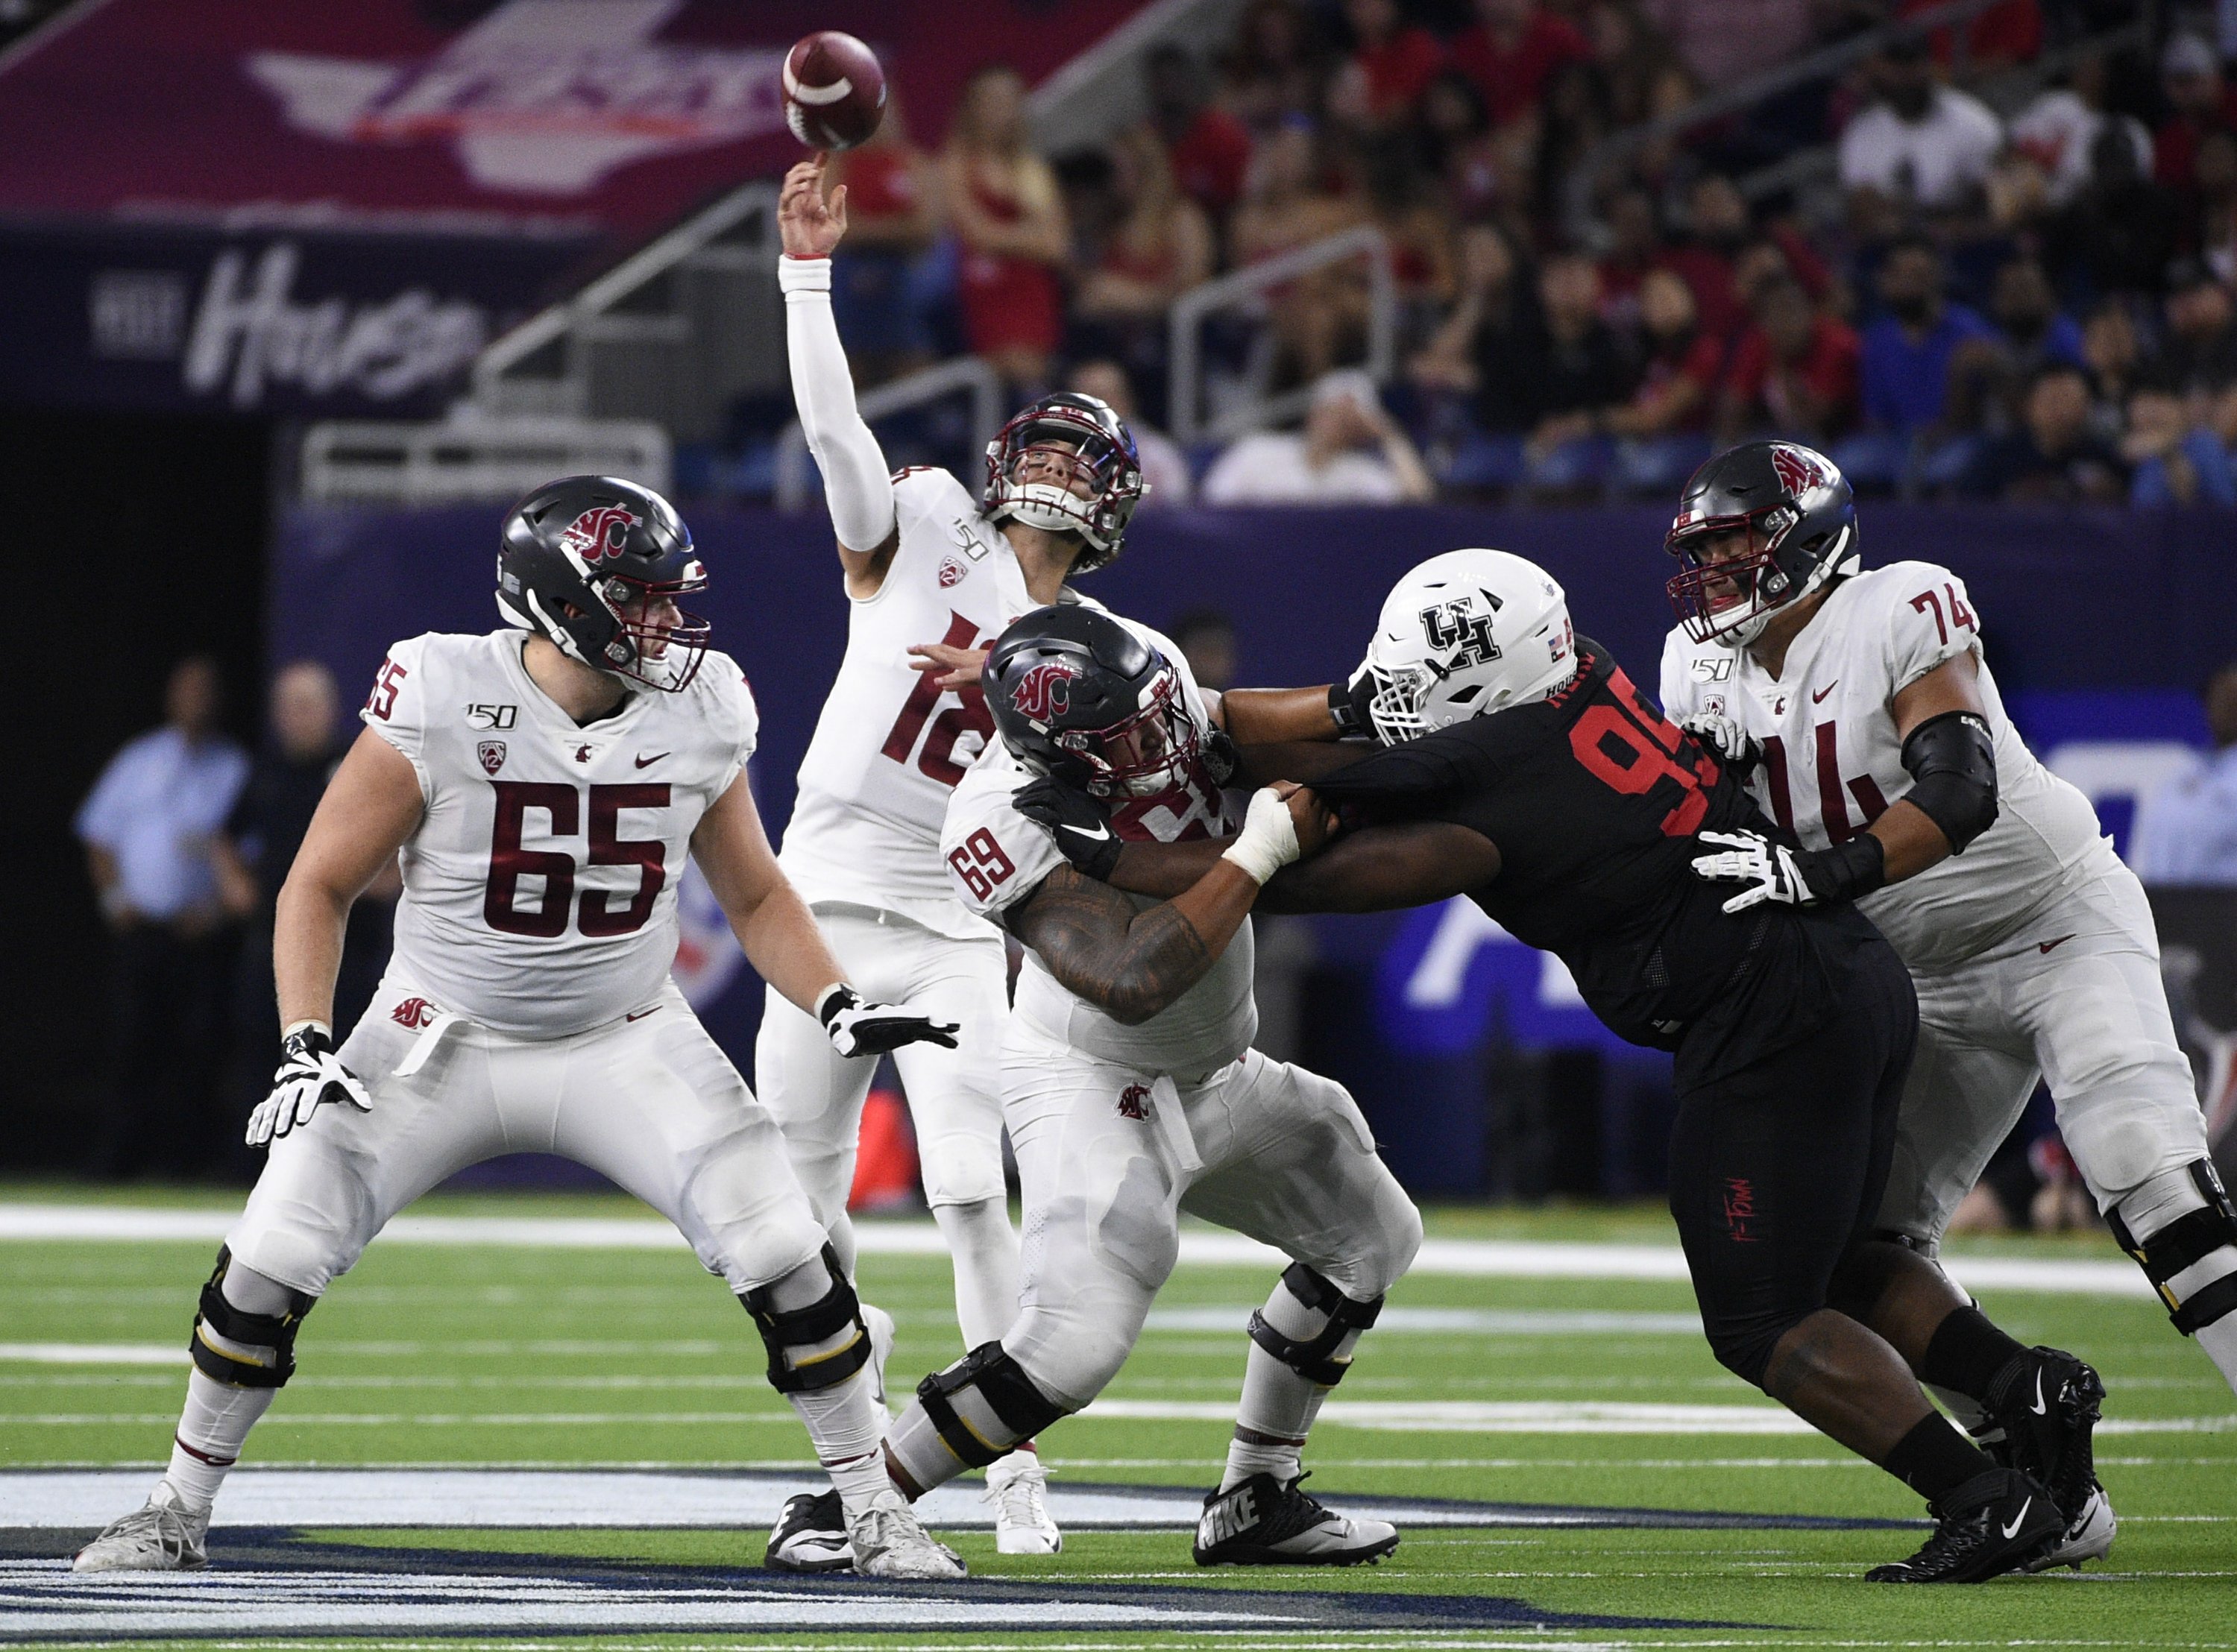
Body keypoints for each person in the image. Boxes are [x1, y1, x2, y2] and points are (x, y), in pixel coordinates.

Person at [1022, 549, 2075, 1583]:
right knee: (1835, 1263)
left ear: (1483, 687)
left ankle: (1985, 1499)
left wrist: (1102, 853)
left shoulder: (1497, 782)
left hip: (1773, 1019)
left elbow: (1306, 869)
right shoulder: (1582, 670)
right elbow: (1352, 728)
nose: (1390, 702)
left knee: (1760, 1319)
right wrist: (1195, 718)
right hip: (1838, 974)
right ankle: (2025, 1388)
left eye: (1418, 689)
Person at [71, 476, 968, 1580]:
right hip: (437, 1032)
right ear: (560, 603)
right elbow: (319, 883)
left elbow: (757, 896)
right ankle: (176, 1508)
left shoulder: (702, 704)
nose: (665, 625)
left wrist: (836, 999)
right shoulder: (445, 690)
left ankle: (874, 1513)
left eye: (665, 599)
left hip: (627, 1034)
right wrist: (307, 1038)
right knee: (271, 1252)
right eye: (637, 601)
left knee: (788, 1246)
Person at [1658, 441, 2237, 1571]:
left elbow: (1959, 788)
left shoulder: (1900, 603)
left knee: (2148, 1175)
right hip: (1910, 973)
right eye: (1704, 546)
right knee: (1844, 1255)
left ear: (1809, 533)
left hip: (2052, 923)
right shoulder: (1695, 665)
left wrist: (1821, 875)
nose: (1717, 566)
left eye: (1737, 539)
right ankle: (2034, 1456)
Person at [764, 154, 1155, 1563]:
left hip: (950, 912)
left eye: (1078, 460)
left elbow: (1111, 815)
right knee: (792, 1215)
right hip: (815, 886)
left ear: (1111, 505)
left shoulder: (1111, 653)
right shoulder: (923, 518)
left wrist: (1010, 681)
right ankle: (859, 1449)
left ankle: (1008, 1474)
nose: (1049, 472)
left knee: (974, 1186)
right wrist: (808, 272)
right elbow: (832, 436)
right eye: (1037, 449)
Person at [873, 604, 1421, 1569]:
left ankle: (1256, 1497)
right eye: (1129, 734)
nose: (1165, 739)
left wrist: (1348, 707)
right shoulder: (1001, 813)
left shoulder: (1152, 689)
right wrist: (1255, 852)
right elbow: (1131, 982)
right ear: (1063, 758)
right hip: (1093, 1076)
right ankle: (854, 1505)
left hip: (1214, 1071)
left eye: (1155, 708)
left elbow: (1224, 715)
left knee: (1370, 1237)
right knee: (1070, 1349)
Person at [213, 662, 397, 1168]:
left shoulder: (357, 763)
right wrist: (236, 884)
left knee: (349, 1052)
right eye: (288, 706)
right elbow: (225, 834)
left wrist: (390, 879)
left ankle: (346, 1166)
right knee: (264, 1050)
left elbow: (415, 826)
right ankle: (254, 1164)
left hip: (349, 940)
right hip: (273, 939)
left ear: (332, 709)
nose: (296, 717)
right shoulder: (266, 770)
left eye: (307, 705)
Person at [75, 655, 248, 1177]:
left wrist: (217, 912)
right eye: (186, 690)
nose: (195, 701)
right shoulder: (139, 759)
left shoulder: (234, 768)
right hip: (142, 931)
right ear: (170, 697)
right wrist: (115, 902)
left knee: (199, 1051)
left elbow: (250, 855)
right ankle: (118, 1161)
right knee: (132, 1046)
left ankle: (189, 1163)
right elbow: (97, 833)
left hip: (200, 935)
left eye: (205, 691)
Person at [940, 64, 1069, 390]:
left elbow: (1057, 246)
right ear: (971, 107)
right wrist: (1031, 236)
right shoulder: (957, 163)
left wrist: (1010, 238)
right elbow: (975, 233)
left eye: (1011, 100)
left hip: (1030, 291)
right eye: (992, 100)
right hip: (983, 290)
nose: (1003, 111)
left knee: (1034, 382)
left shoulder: (1031, 168)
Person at [1200, 370, 1434, 504]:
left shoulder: (1362, 473)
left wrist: (1389, 434)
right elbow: (1212, 506)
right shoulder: (1258, 450)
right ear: (1314, 413)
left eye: (1347, 419)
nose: (1335, 424)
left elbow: (1418, 500)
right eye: (1331, 412)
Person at [1837, 37, 2003, 215]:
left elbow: (1996, 202)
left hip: (1961, 229)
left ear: (1930, 67)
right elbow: (1858, 200)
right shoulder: (1863, 130)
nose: (1904, 77)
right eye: (1896, 68)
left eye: (1911, 65)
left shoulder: (1973, 122)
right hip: (1890, 235)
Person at [2130, 663, 2237, 885]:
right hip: (2170, 909)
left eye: (2233, 699)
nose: (2226, 707)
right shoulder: (2183, 777)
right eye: (2220, 697)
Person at [1070, 359, 1190, 506]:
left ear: (1126, 400)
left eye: (1105, 396)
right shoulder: (1051, 453)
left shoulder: (1157, 453)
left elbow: (1178, 510)